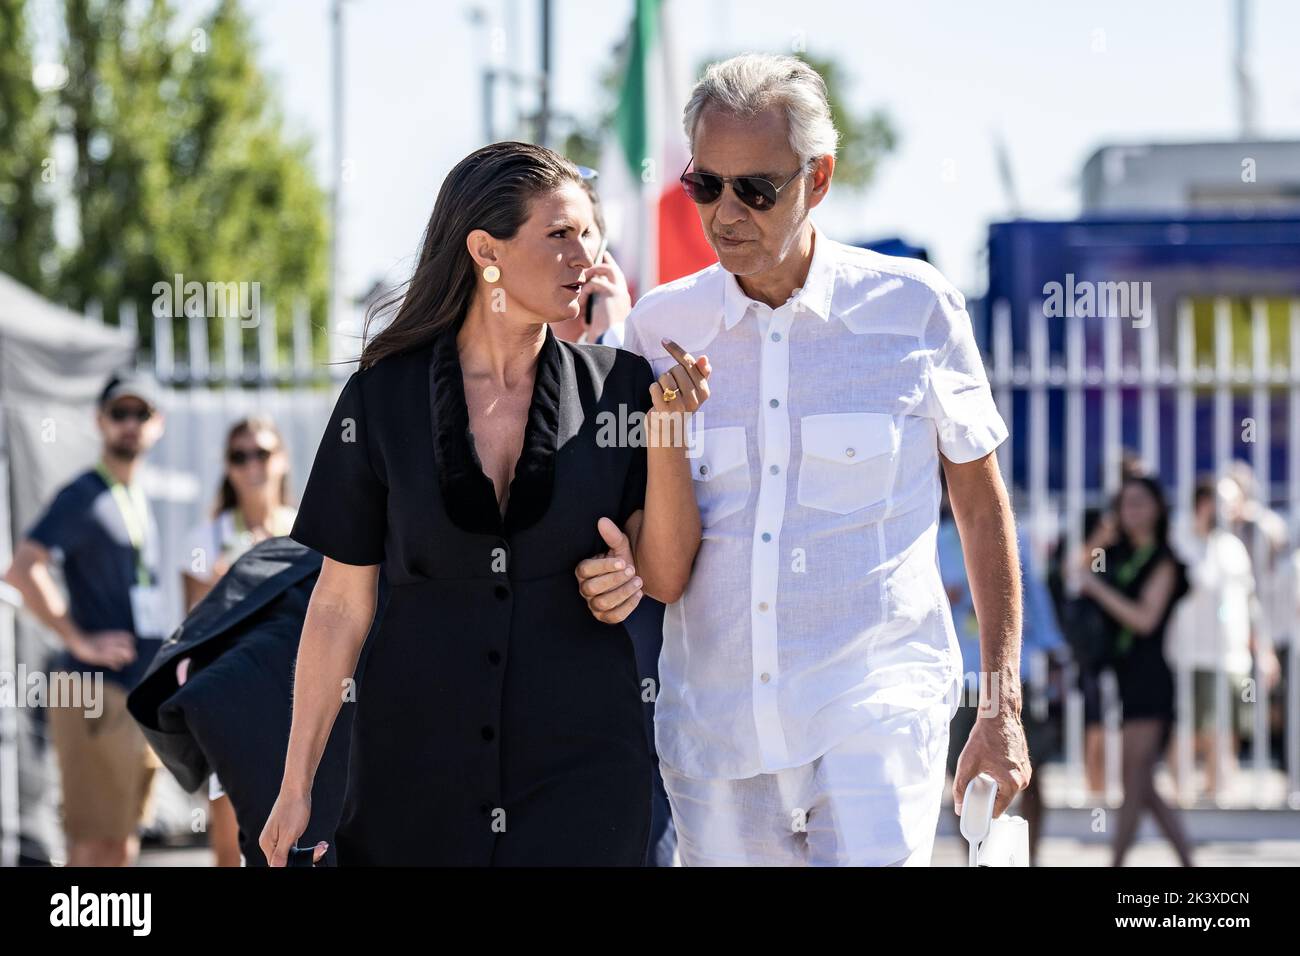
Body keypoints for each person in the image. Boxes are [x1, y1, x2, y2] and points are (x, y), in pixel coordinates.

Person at [576, 53, 1028, 866]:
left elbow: (983, 507)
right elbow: (662, 567)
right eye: (705, 185)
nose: (724, 213)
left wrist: (1000, 707)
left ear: (817, 180)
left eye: (755, 189)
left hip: (876, 710)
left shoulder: (914, 309)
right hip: (715, 734)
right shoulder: (656, 330)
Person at [259, 141, 709, 866]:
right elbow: (341, 603)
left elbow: (663, 573)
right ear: (484, 250)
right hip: (414, 773)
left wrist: (668, 440)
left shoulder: (623, 388)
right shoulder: (381, 400)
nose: (587, 255)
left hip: (583, 774)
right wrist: (295, 782)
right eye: (560, 234)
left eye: (590, 233)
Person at [2, 371, 169, 866]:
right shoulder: (83, 494)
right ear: (100, 421)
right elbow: (22, 568)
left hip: (134, 689)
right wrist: (78, 640)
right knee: (95, 845)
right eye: (120, 413)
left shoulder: (136, 495)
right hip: (93, 689)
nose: (130, 424)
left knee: (122, 840)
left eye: (141, 414)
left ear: (156, 424)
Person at [178, 415, 298, 866]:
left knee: (301, 843)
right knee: (231, 850)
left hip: (297, 705)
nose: (253, 465)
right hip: (230, 705)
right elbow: (190, 634)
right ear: (227, 467)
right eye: (239, 456)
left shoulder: (309, 530)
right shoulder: (204, 540)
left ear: (282, 459)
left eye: (262, 453)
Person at [939, 483, 1067, 866]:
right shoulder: (932, 540)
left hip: (1013, 674)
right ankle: (976, 860)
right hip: (963, 681)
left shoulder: (1011, 534)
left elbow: (1033, 595)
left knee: (1028, 772)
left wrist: (1055, 651)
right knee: (963, 782)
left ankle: (1032, 857)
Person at [1073, 474, 1195, 866]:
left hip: (1152, 680)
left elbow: (1144, 619)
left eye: (1141, 502)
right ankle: (1188, 859)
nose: (1133, 511)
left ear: (1158, 508)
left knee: (1133, 780)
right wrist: (1098, 541)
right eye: (1125, 503)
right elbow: (1074, 574)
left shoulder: (1166, 561)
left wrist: (1098, 590)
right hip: (1124, 679)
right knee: (1141, 785)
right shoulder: (1116, 554)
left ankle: (1116, 861)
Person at [1167, 478, 1259, 800]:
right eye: (1223, 501)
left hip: (1233, 656)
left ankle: (1219, 788)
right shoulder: (1182, 541)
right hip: (1194, 654)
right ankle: (1182, 793)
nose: (1231, 509)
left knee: (1227, 728)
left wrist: (1262, 647)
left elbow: (1249, 600)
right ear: (1203, 504)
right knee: (1191, 728)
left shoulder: (1233, 547)